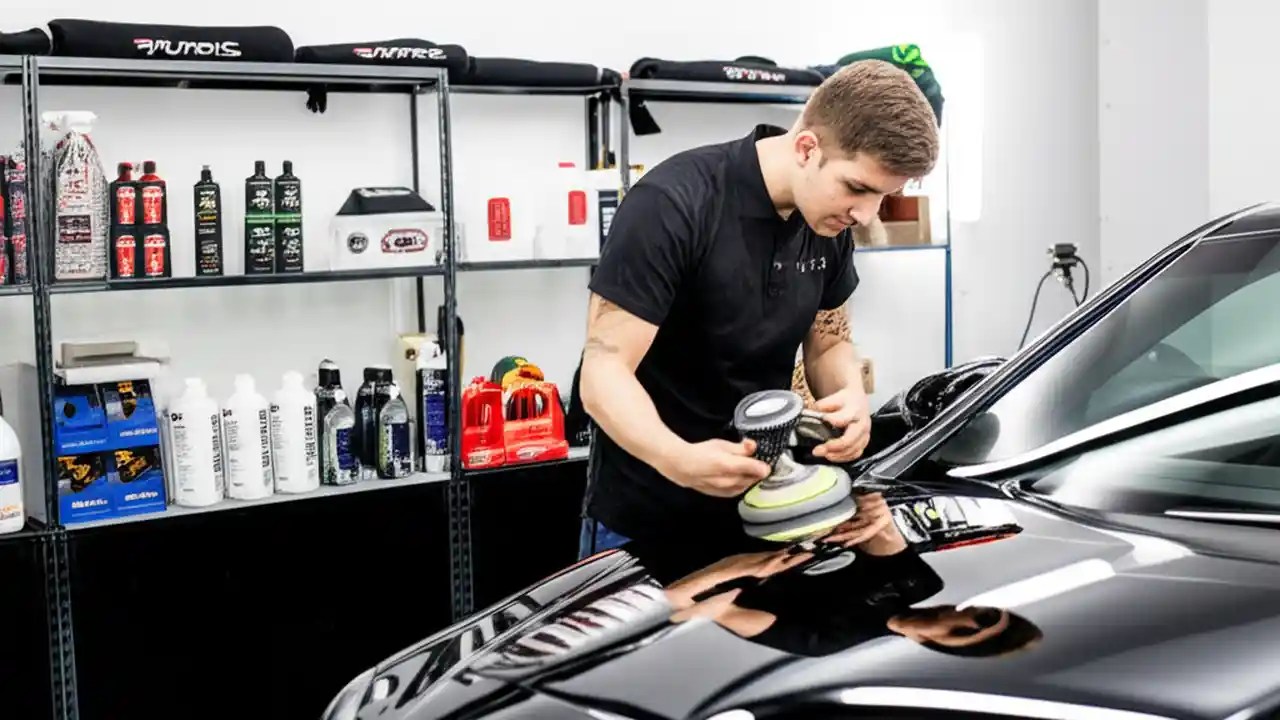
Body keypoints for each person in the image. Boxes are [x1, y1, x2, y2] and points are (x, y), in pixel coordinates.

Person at [577, 59, 940, 558]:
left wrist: (852, 398)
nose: (866, 214)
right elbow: (603, 371)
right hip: (648, 514)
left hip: (768, 507)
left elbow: (830, 339)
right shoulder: (673, 204)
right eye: (858, 187)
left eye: (884, 196)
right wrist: (678, 457)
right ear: (807, 147)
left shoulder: (828, 224)